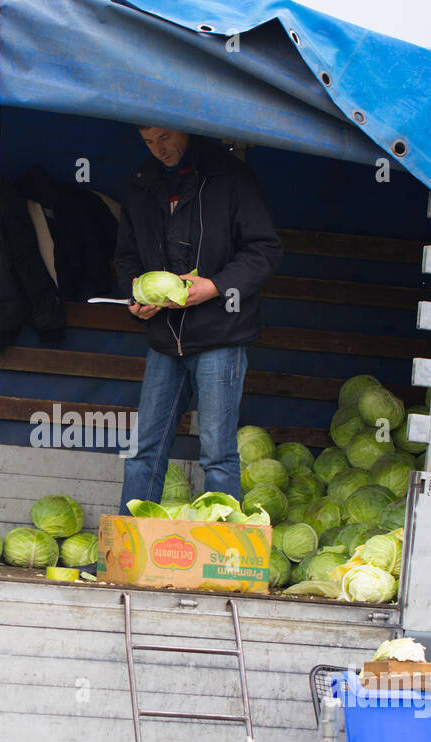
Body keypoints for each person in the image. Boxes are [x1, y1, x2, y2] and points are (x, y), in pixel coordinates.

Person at [115, 127, 283, 511]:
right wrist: (136, 291)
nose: (158, 150)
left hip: (220, 335)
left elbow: (265, 250)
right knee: (144, 450)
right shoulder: (142, 183)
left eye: (164, 138)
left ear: (184, 128)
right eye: (148, 142)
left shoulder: (229, 177)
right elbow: (126, 257)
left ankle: (221, 558)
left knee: (218, 455)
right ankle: (124, 553)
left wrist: (215, 286)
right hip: (164, 339)